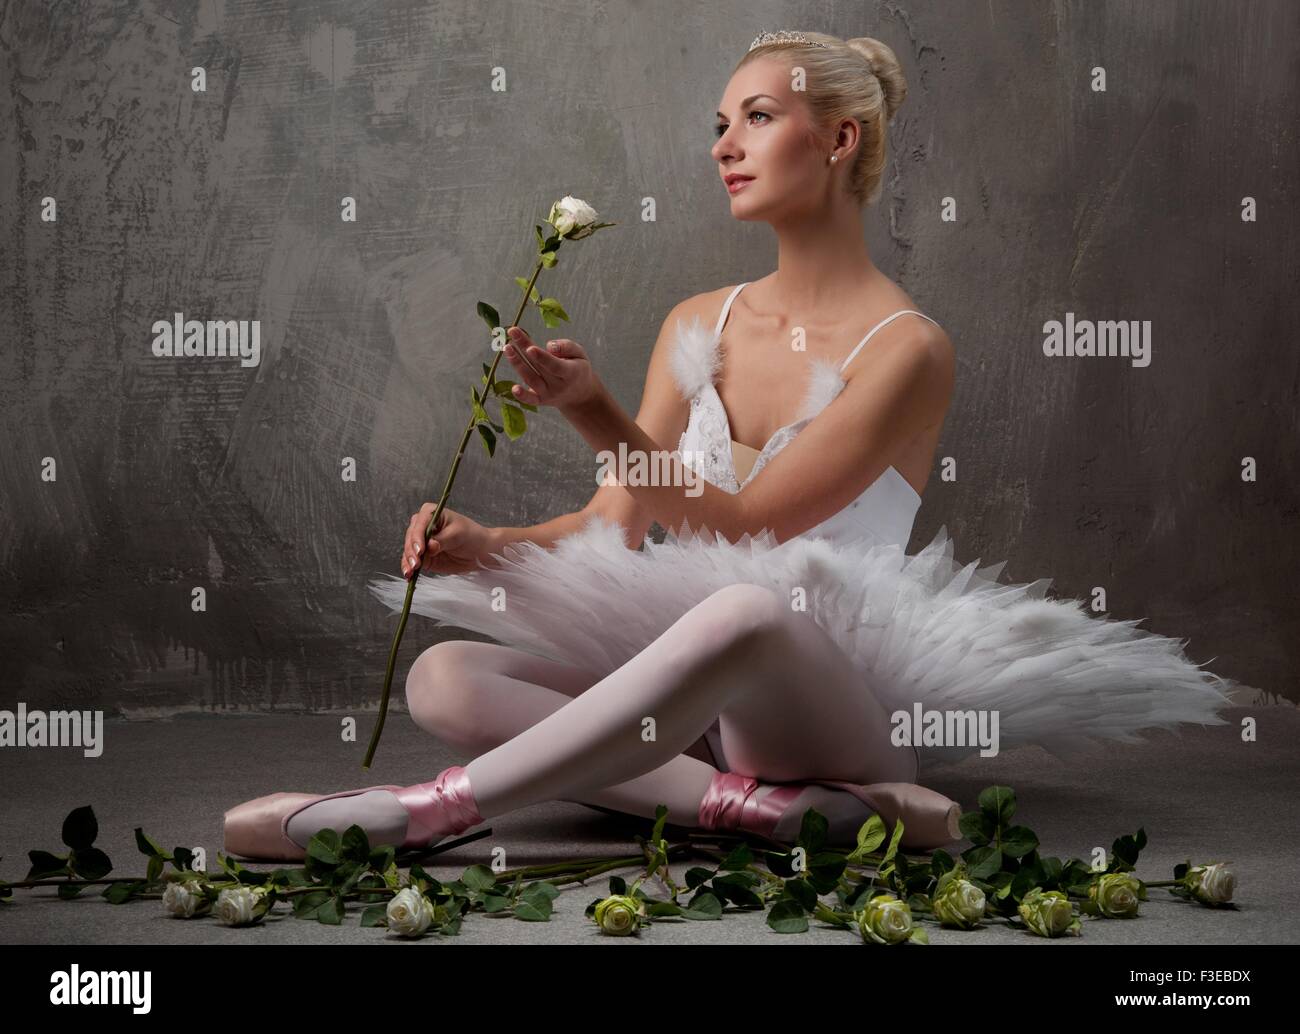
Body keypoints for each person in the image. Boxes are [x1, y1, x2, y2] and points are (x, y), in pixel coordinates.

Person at [224, 30, 1241, 863]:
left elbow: (755, 524)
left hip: (819, 696)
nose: (723, 144)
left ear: (840, 138)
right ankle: (747, 810)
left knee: (748, 605)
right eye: (719, 124)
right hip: (693, 712)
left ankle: (426, 811)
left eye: (757, 117)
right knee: (442, 673)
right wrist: (483, 542)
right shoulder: (693, 322)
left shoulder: (908, 349)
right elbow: (609, 530)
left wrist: (597, 415)